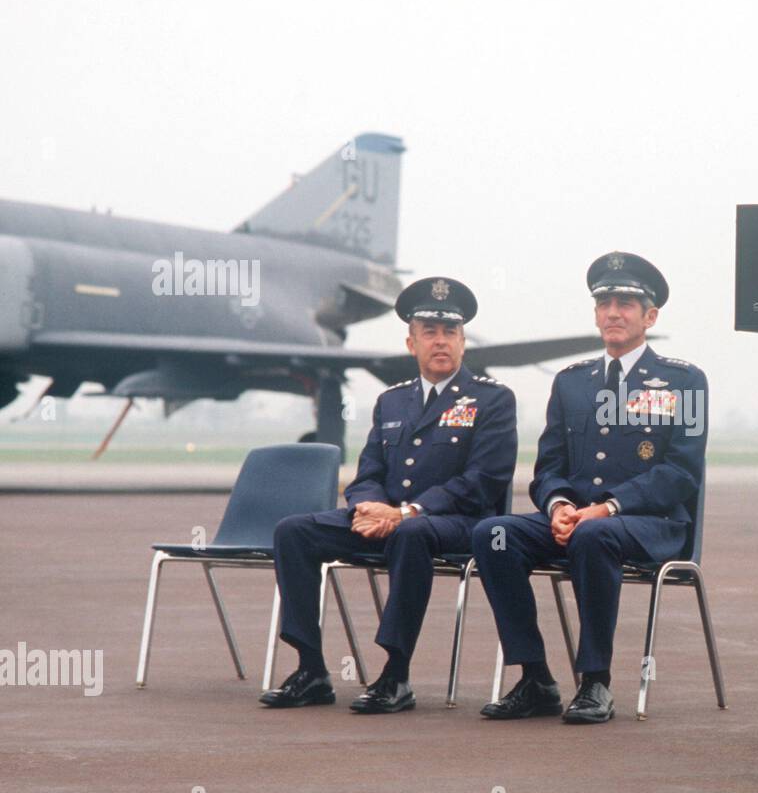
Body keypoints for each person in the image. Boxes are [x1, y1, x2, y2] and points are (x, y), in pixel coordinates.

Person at [259, 277, 517, 713]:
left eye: (449, 333)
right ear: (411, 342)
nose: (441, 341)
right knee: (293, 532)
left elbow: (484, 481)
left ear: (463, 342)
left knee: (410, 535)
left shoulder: (491, 400)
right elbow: (368, 472)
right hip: (388, 517)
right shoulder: (392, 402)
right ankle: (311, 670)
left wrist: (407, 512)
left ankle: (396, 676)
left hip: (460, 522)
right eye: (429, 333)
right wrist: (367, 507)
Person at [472, 251, 707, 724]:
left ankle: (595, 681)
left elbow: (681, 473)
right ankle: (535, 677)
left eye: (626, 302)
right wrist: (558, 504)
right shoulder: (571, 382)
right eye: (605, 302)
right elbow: (549, 466)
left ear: (650, 315)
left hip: (650, 524)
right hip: (576, 521)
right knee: (492, 534)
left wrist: (610, 508)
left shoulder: (684, 381)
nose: (613, 312)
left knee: (594, 534)